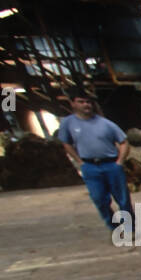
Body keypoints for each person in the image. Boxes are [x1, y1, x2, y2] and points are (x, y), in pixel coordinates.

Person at [57, 88, 134, 237]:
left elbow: (124, 142)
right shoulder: (68, 123)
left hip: (111, 165)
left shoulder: (105, 123)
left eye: (88, 102)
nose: (86, 105)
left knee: (123, 199)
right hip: (90, 167)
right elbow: (66, 143)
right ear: (72, 103)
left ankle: (129, 228)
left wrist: (120, 161)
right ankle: (115, 228)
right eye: (81, 102)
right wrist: (80, 162)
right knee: (99, 199)